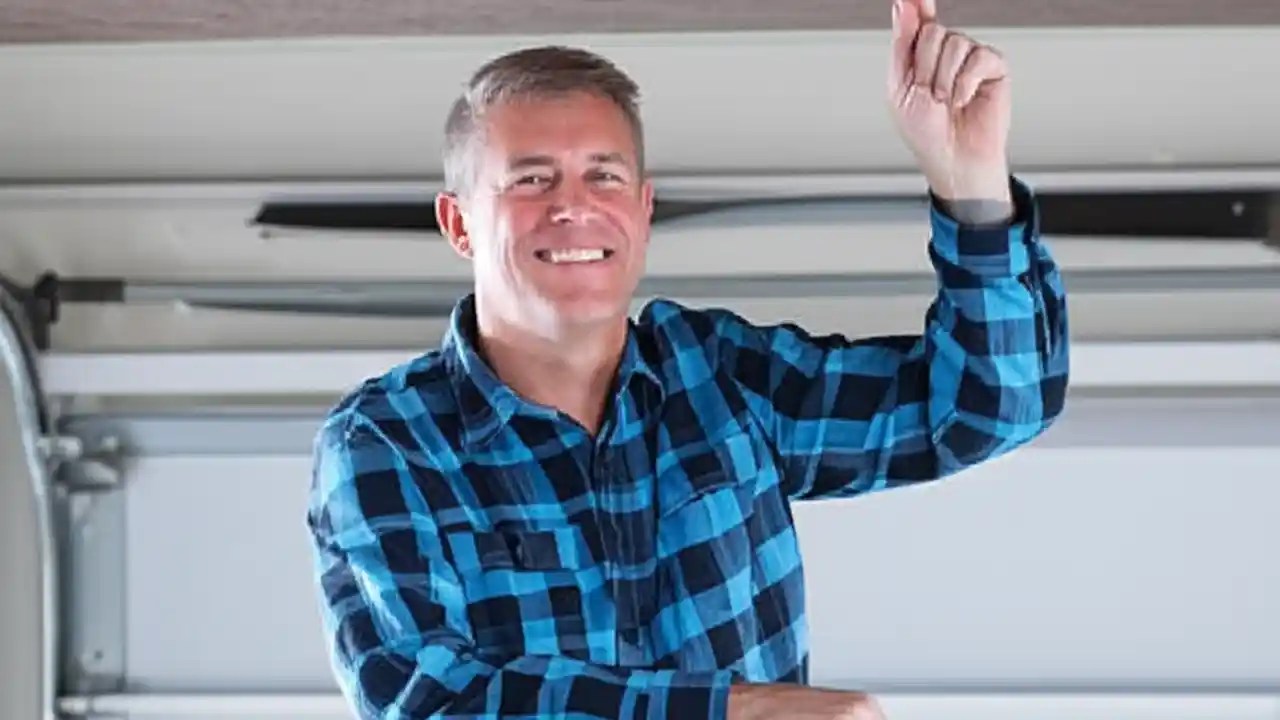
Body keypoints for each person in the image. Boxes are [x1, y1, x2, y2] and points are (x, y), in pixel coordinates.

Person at [307, 0, 1069, 717]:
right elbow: (429, 697)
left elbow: (983, 406)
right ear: (459, 222)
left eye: (603, 175)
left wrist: (969, 182)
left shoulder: (721, 377)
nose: (572, 205)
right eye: (531, 178)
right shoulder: (386, 442)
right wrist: (727, 709)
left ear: (642, 210)